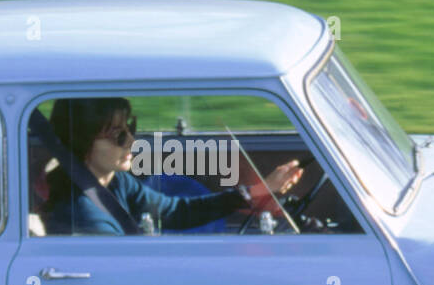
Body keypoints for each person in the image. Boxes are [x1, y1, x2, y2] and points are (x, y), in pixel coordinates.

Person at [42, 97, 303, 236]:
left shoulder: (114, 182)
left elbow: (175, 211)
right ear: (83, 143)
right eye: (118, 135)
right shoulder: (83, 215)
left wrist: (260, 190)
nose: (132, 141)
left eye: (129, 128)